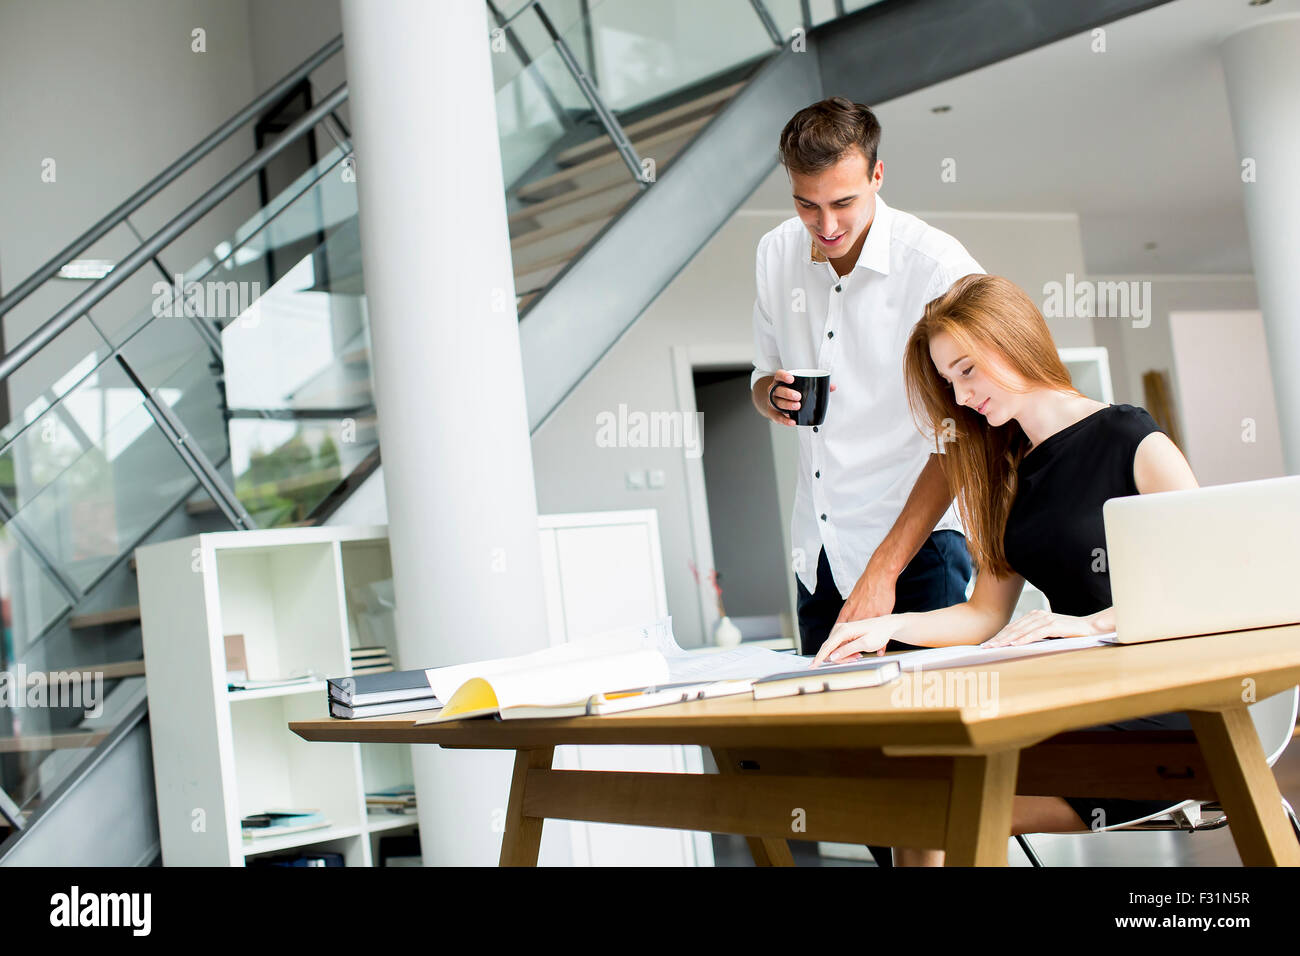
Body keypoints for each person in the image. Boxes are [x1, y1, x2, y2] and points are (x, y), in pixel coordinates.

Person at [812, 273, 1200, 866]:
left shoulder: (1130, 439)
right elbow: (983, 614)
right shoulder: (1010, 471)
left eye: (966, 370)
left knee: (938, 801)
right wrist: (884, 629)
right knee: (917, 789)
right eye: (949, 381)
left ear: (1011, 338)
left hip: (1162, 713)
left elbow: (1208, 596)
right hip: (1075, 703)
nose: (961, 396)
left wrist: (1090, 625)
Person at [750, 96, 982, 664]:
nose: (826, 226)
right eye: (807, 205)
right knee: (836, 746)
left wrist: (884, 570)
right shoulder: (775, 253)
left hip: (918, 554)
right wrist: (771, 398)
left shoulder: (937, 267)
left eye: (843, 202)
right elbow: (760, 379)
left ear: (877, 175)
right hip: (820, 557)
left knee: (929, 741)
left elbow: (964, 429)